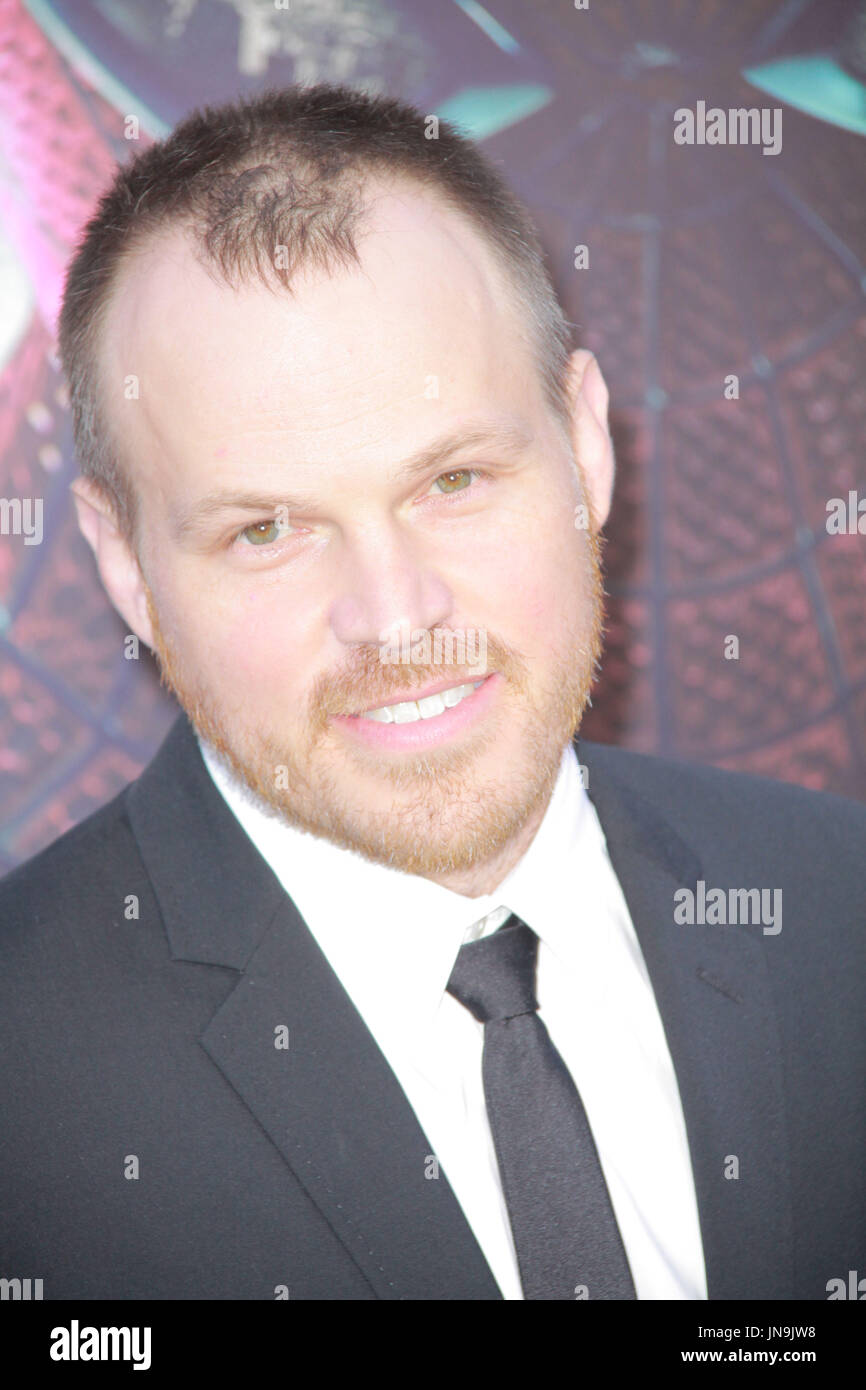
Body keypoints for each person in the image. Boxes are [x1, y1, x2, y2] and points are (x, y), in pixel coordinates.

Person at [1, 83, 863, 1302]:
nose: (396, 613)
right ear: (125, 568)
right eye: (267, 530)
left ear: (587, 445)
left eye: (454, 480)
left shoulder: (844, 909)